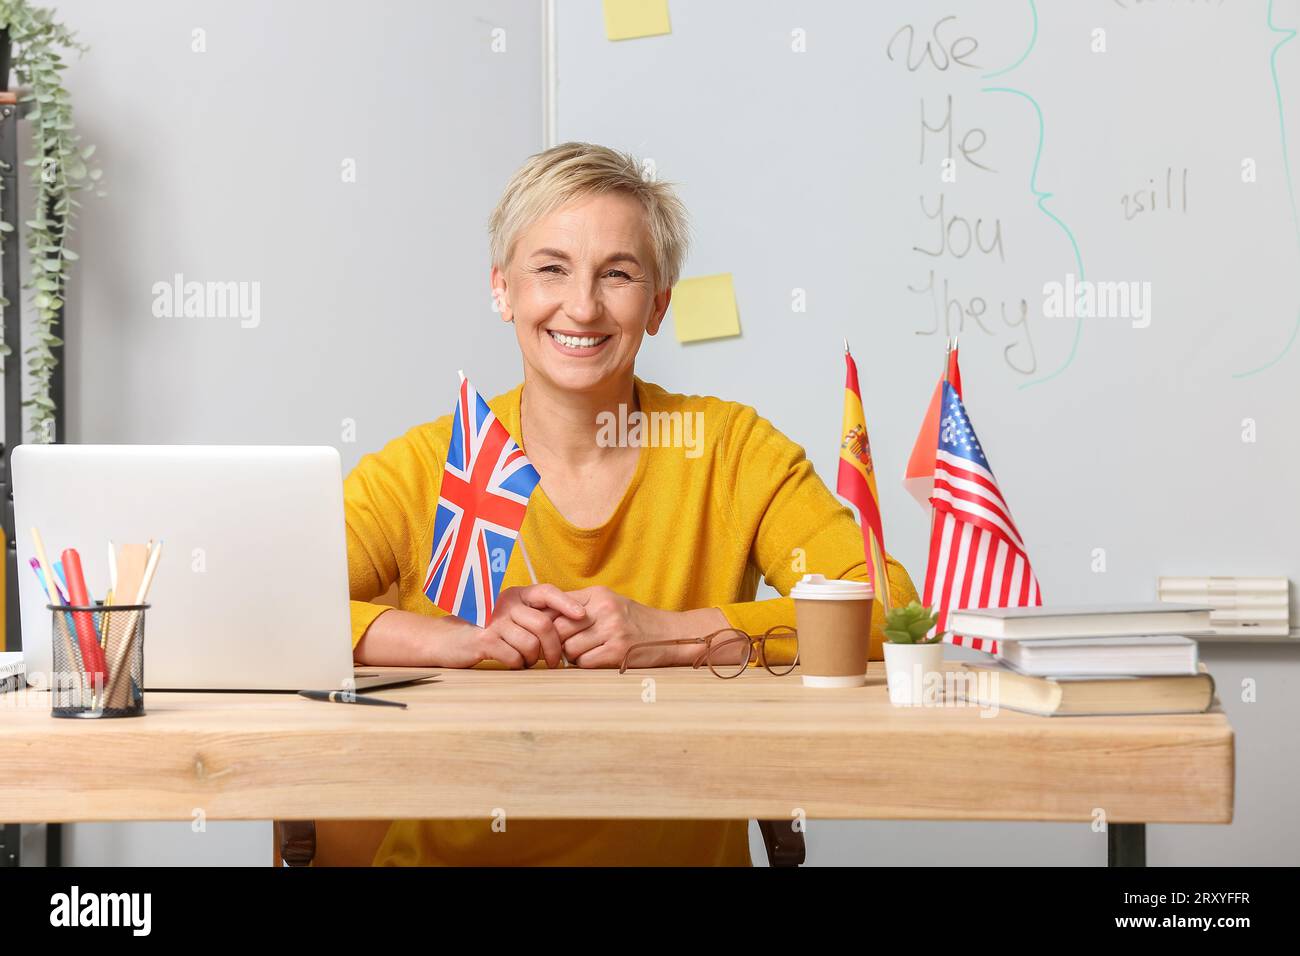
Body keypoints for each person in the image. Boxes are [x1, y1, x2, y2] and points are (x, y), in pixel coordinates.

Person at [346, 142, 918, 865]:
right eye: (550, 268)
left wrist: (677, 637)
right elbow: (264, 610)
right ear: (502, 290)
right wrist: (452, 642)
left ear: (658, 305)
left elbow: (887, 604)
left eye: (616, 275)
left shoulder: (729, 449)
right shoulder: (430, 464)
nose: (581, 306)